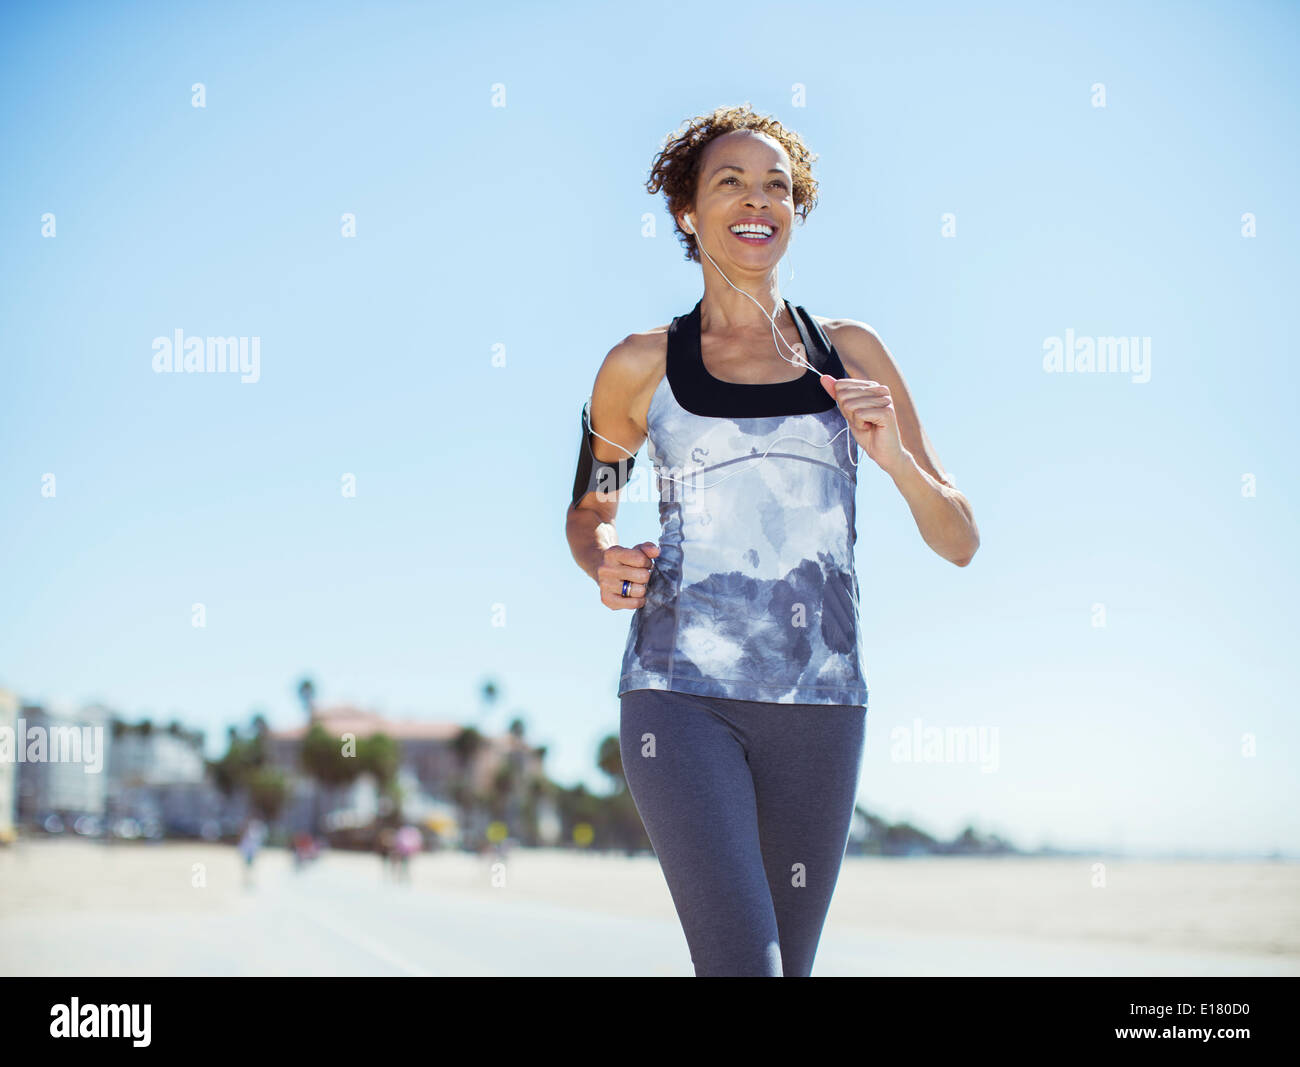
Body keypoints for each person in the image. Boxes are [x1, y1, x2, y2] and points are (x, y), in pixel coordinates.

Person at [565, 105, 979, 977]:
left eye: (777, 186)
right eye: (731, 182)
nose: (758, 200)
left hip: (824, 707)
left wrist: (896, 458)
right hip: (678, 697)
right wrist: (605, 558)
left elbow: (960, 539)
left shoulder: (851, 351)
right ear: (687, 210)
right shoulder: (640, 366)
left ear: (796, 209)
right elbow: (590, 507)